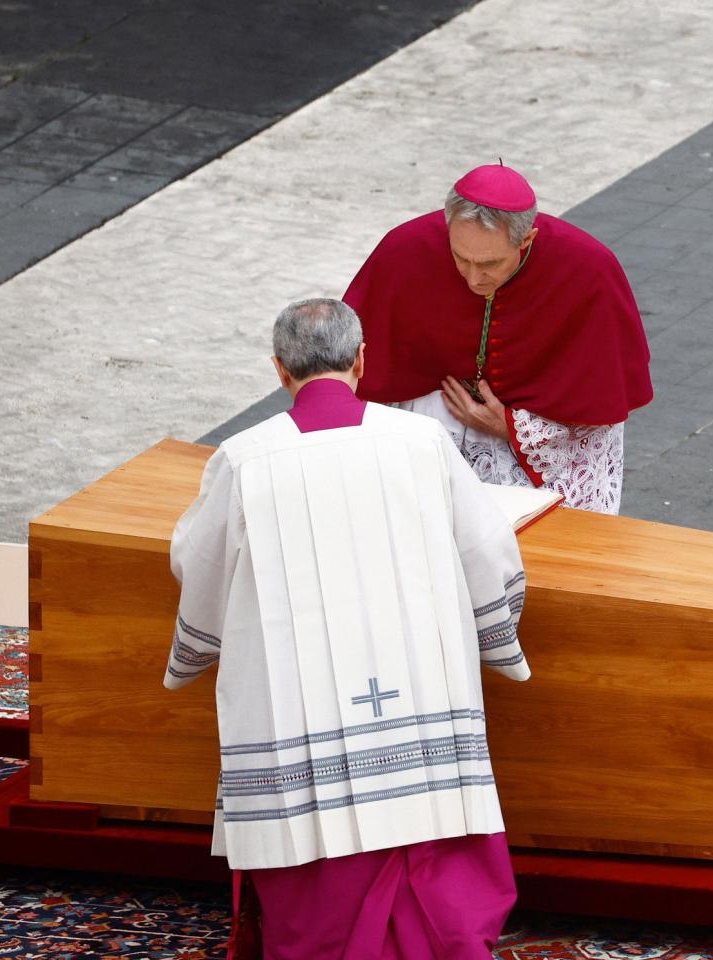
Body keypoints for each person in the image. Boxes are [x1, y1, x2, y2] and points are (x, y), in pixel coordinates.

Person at [163, 298, 532, 959]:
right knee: (429, 815)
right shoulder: (423, 443)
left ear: (280, 370)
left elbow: (200, 564)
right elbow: (489, 549)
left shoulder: (244, 460)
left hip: (304, 708)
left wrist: (194, 651)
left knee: (316, 838)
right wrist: (501, 640)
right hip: (418, 684)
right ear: (363, 359)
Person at [343, 162, 652, 514]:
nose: (473, 279)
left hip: (539, 431)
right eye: (460, 258)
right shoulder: (405, 249)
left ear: (527, 239)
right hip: (434, 427)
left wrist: (510, 427)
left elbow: (597, 411)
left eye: (489, 264)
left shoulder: (589, 271)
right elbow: (352, 367)